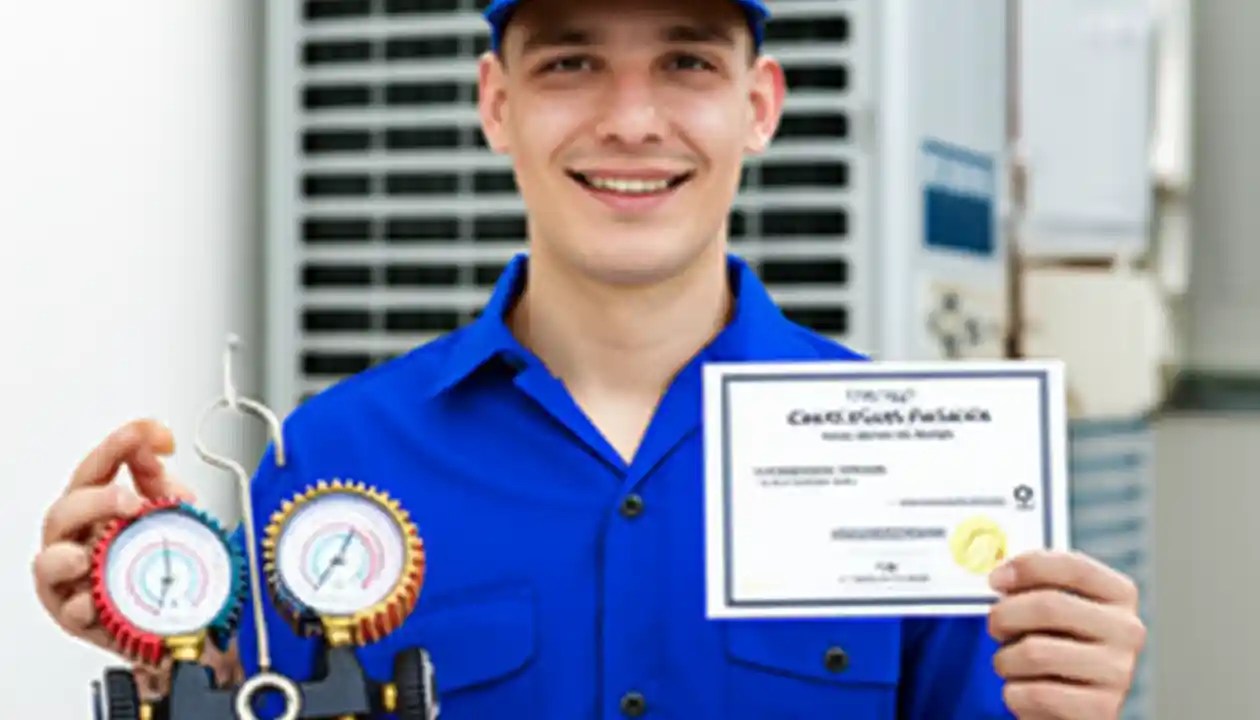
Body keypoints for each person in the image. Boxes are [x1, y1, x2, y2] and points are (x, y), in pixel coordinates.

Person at [32, 0, 1147, 717]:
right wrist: (168, 654)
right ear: (495, 104)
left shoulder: (930, 477)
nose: (629, 119)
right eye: (570, 61)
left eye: (684, 62)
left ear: (757, 108)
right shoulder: (327, 460)